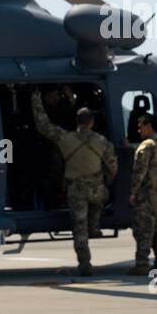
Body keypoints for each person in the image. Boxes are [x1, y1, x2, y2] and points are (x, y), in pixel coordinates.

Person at [30, 88, 118, 276]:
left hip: (76, 190)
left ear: (77, 122)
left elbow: (43, 125)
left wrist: (36, 99)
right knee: (103, 198)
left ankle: (85, 263)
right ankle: (94, 226)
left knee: (80, 228)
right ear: (91, 122)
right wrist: (107, 181)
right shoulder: (101, 141)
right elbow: (112, 166)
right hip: (96, 190)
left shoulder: (65, 138)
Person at [126, 113, 157, 275]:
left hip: (147, 195)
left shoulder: (146, 146)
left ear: (149, 126)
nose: (139, 131)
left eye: (141, 127)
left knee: (143, 230)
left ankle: (142, 264)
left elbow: (140, 172)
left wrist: (133, 192)